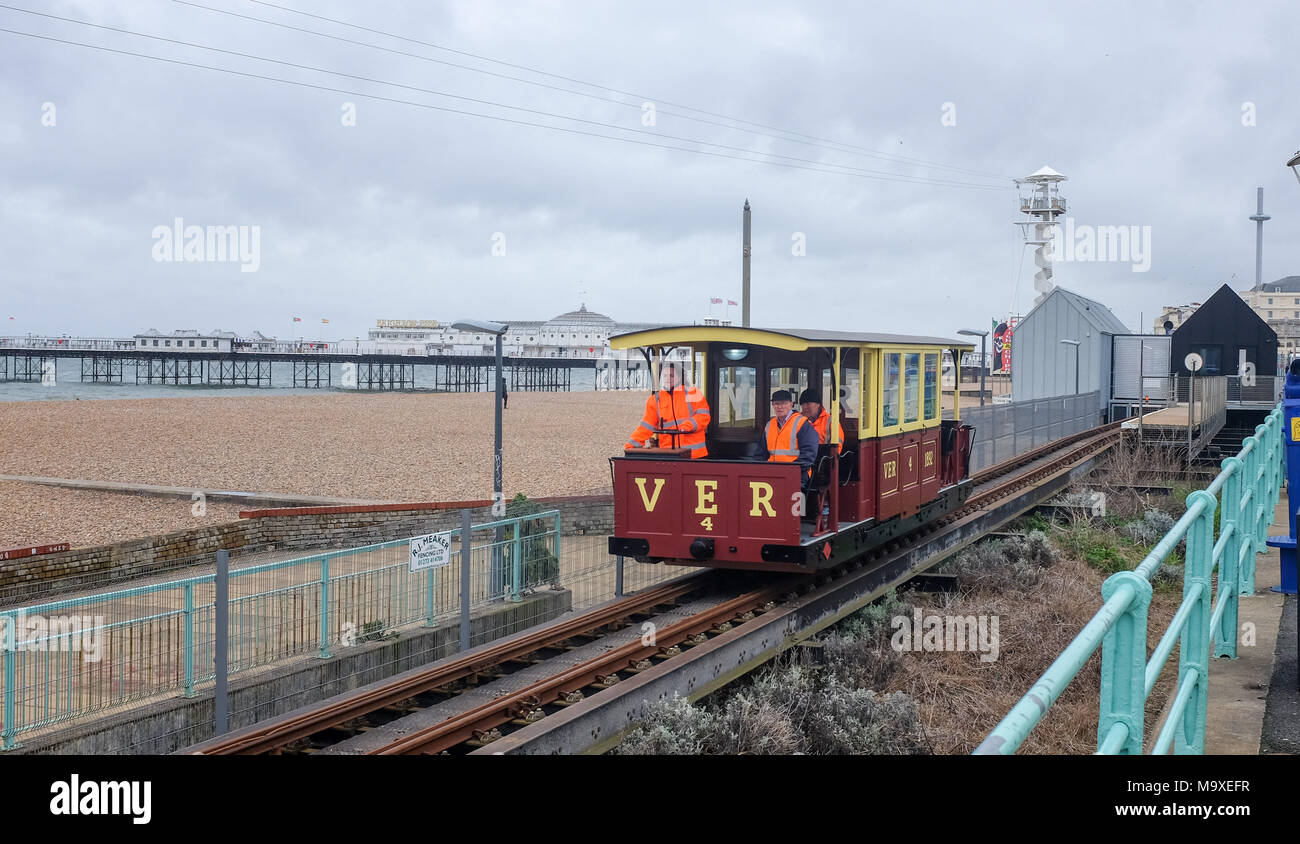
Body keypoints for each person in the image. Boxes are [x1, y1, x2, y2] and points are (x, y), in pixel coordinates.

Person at [626, 362, 711, 458]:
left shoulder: (694, 393)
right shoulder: (655, 400)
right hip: (669, 455)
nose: (667, 378)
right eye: (665, 375)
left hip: (694, 455)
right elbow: (646, 426)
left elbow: (704, 417)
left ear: (680, 377)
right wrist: (632, 444)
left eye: (671, 375)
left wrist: (687, 426)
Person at [761, 389, 818, 473]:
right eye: (776, 403)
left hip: (797, 473)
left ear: (791, 404)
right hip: (771, 472)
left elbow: (808, 455)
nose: (780, 407)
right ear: (772, 405)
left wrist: (790, 471)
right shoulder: (769, 425)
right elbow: (761, 452)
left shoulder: (802, 424)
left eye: (784, 403)